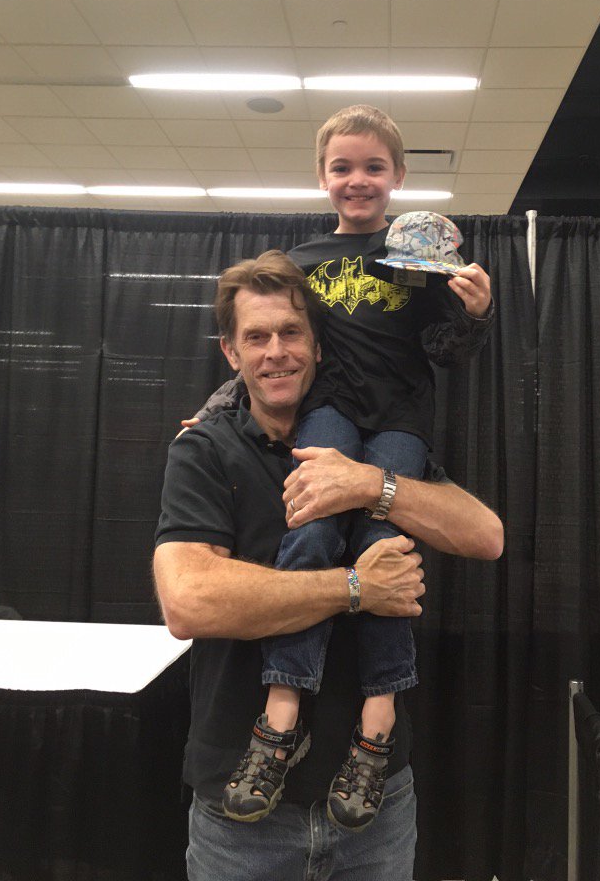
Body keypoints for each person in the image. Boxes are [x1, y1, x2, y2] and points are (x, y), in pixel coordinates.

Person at [154, 250, 503, 880]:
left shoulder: (374, 450)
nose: (276, 353)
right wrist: (357, 588)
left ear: (319, 346)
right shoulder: (204, 450)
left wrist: (371, 484)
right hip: (240, 818)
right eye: (256, 338)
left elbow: (486, 536)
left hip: (377, 810)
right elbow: (189, 602)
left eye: (291, 333)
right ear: (231, 353)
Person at [202, 106, 495, 830]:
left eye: (373, 167)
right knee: (308, 529)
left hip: (398, 422)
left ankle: (377, 724)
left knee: (382, 549)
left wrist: (475, 316)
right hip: (329, 412)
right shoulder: (301, 261)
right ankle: (282, 711)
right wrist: (214, 408)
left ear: (398, 176)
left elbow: (447, 352)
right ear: (322, 177)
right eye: (343, 167)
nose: (357, 180)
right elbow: (267, 344)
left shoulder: (420, 256)